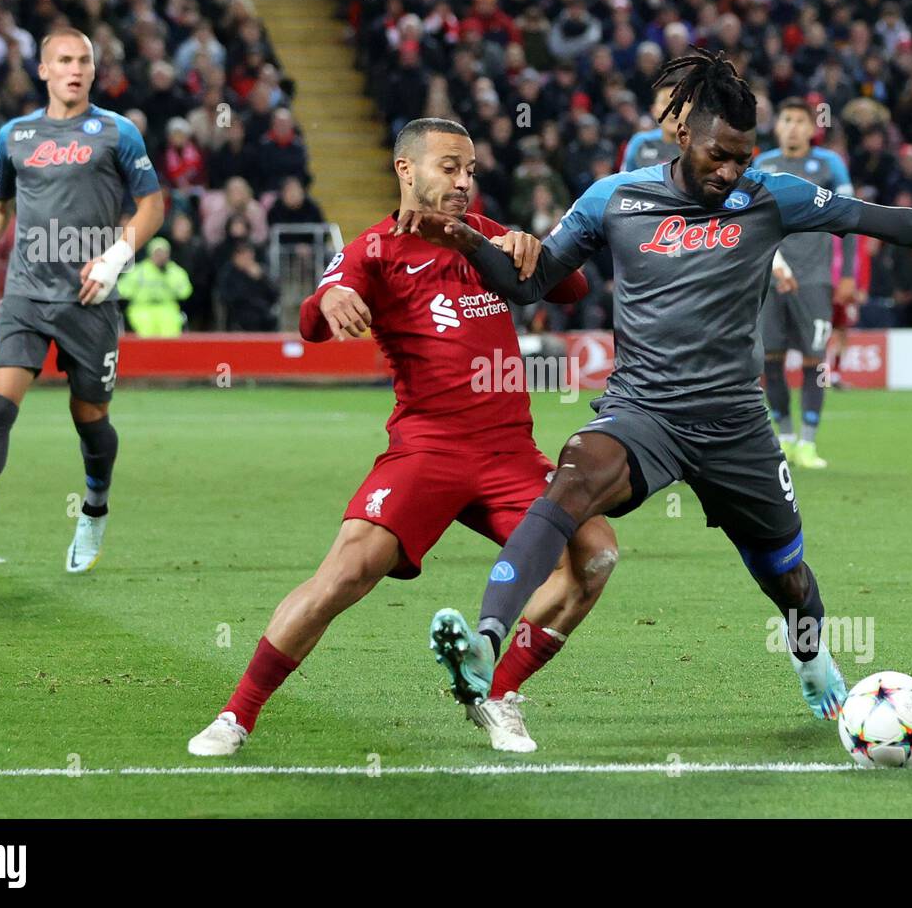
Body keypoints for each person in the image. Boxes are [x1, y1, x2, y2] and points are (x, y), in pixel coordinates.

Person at [394, 50, 912, 727]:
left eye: (745, 156)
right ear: (685, 138)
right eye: (721, 155)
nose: (734, 170)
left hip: (738, 424)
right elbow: (530, 283)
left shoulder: (773, 195)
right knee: (573, 476)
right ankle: (486, 639)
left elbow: (894, 224)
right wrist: (466, 241)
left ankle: (810, 658)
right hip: (645, 413)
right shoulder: (614, 199)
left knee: (791, 581)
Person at [187, 118, 617, 757]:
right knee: (346, 573)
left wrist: (530, 246)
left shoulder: (489, 236)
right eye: (450, 167)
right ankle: (237, 714)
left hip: (509, 455)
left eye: (470, 169)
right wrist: (330, 300)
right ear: (406, 170)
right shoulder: (376, 249)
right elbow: (315, 315)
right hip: (427, 450)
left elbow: (573, 286)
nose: (464, 181)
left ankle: (495, 693)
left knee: (596, 553)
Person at [0, 28, 164, 577]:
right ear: (44, 70)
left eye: (84, 60)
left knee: (89, 417)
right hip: (25, 296)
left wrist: (114, 259)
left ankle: (95, 507)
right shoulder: (15, 135)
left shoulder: (118, 133)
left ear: (94, 71)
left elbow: (152, 206)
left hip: (89, 298)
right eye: (64, 60)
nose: (75, 69)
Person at [752, 97, 857, 468]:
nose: (793, 126)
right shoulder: (763, 165)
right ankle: (785, 438)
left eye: (800, 120)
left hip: (815, 279)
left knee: (815, 360)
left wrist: (848, 275)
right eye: (786, 119)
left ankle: (809, 443)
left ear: (813, 128)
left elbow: (851, 219)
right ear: (776, 125)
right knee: (770, 360)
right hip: (770, 277)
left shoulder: (829, 164)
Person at [117, 236, 192, 337]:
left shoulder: (174, 271)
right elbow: (122, 290)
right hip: (142, 308)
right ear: (150, 253)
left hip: (167, 308)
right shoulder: (140, 270)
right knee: (145, 332)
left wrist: (167, 275)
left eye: (163, 253)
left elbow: (185, 292)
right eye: (157, 253)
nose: (160, 256)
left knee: (170, 333)